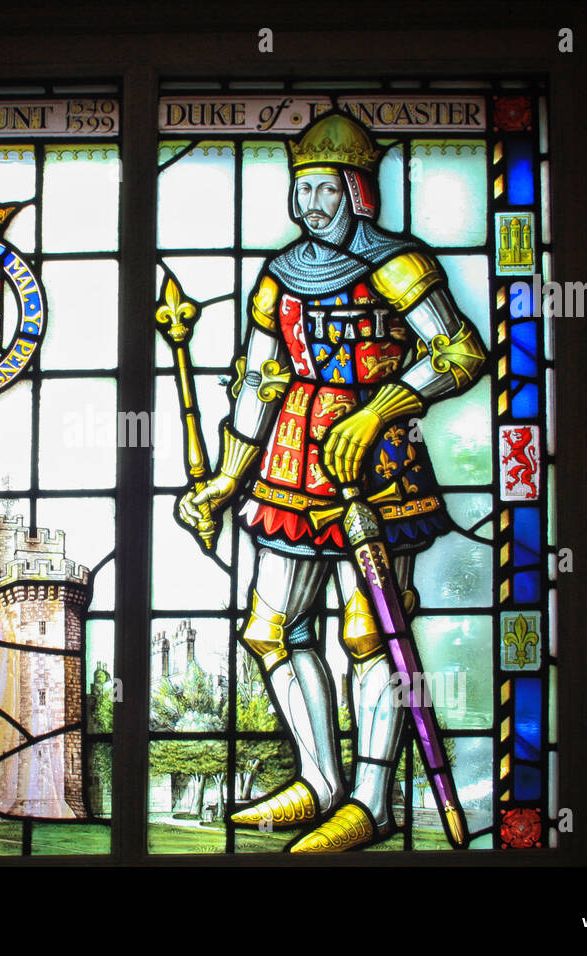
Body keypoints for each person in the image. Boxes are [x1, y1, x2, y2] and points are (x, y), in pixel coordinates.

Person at [178, 111, 486, 851]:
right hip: (290, 459)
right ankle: (319, 782)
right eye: (301, 190)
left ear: (358, 191)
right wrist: (226, 478)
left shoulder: (399, 264)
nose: (310, 205)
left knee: (370, 632)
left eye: (324, 189)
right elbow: (257, 377)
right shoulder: (280, 276)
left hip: (378, 461)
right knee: (271, 628)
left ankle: (371, 804)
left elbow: (460, 352)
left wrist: (381, 408)